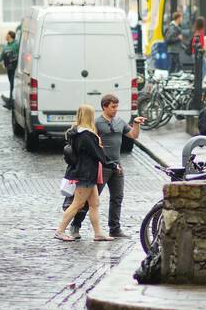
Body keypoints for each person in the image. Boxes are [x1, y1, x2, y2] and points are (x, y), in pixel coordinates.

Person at [70, 93, 142, 239]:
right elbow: (90, 143)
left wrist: (136, 124)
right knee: (88, 199)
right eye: (113, 107)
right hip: (102, 167)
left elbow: (134, 135)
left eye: (117, 107)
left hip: (117, 165)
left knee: (117, 197)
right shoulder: (96, 123)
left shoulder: (120, 122)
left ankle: (114, 229)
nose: (116, 109)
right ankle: (76, 225)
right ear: (104, 107)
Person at [54, 105, 114, 242]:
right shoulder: (86, 135)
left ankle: (98, 233)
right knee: (78, 204)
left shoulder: (76, 132)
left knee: (94, 204)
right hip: (85, 174)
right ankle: (60, 230)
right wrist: (112, 165)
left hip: (86, 173)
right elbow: (98, 154)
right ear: (89, 116)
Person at [1, 30, 19, 96]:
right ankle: (11, 94)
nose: (5, 36)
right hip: (8, 66)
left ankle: (11, 95)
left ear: (9, 36)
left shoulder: (16, 44)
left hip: (14, 65)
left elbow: (20, 53)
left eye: (7, 35)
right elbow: (2, 55)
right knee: (10, 80)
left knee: (12, 80)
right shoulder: (5, 46)